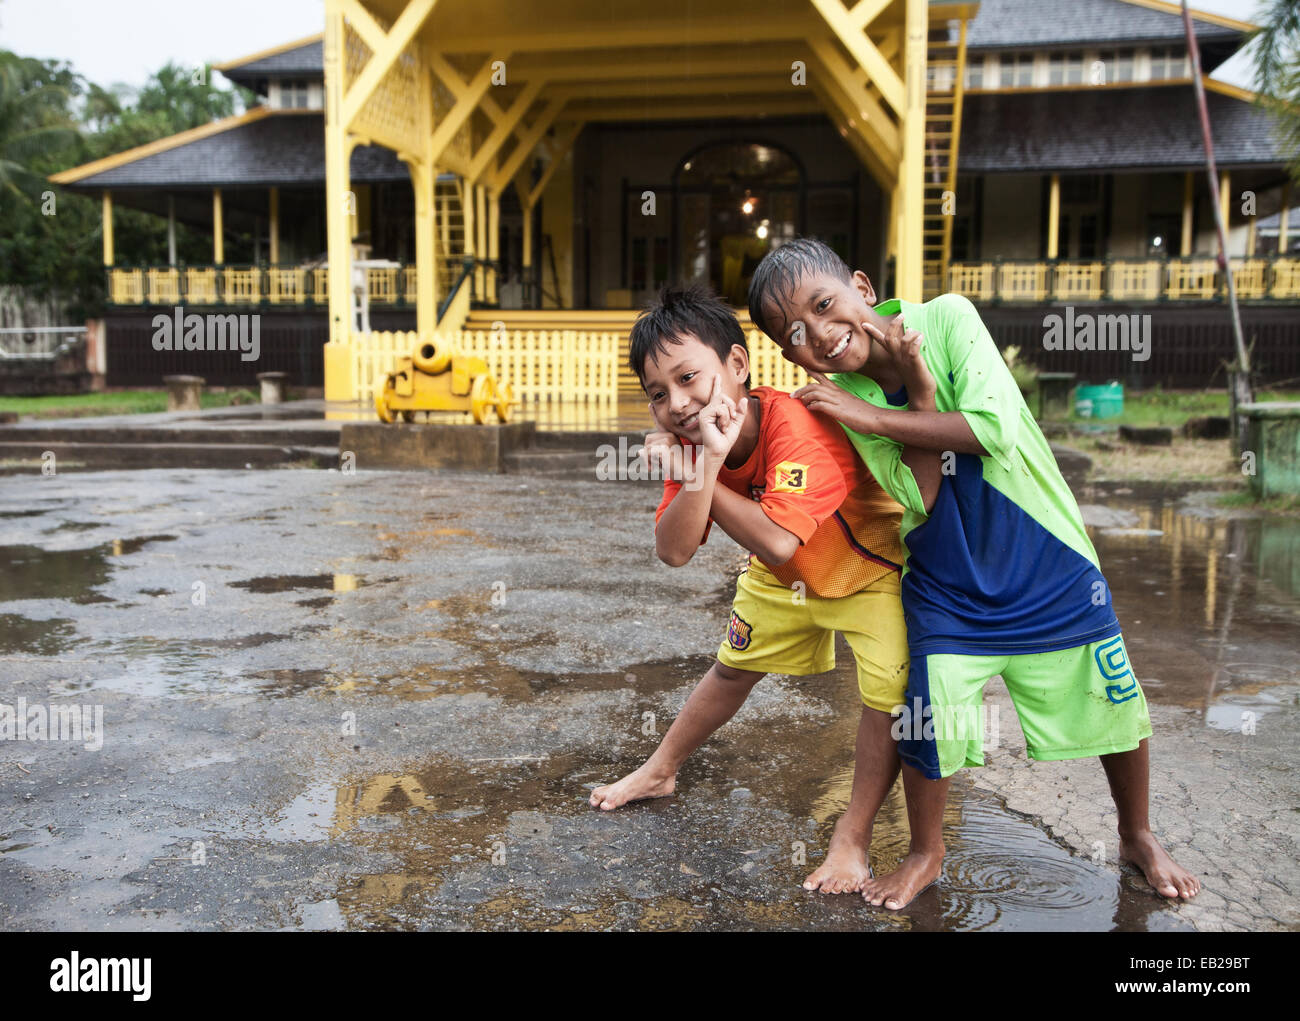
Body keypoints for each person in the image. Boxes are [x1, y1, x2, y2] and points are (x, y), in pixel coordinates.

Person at [746, 237, 1202, 909]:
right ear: (790, 355)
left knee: (1112, 694)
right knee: (925, 711)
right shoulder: (839, 399)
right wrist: (917, 393)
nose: (821, 332)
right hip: (944, 573)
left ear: (863, 289)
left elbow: (992, 429)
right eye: (797, 333)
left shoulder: (948, 319)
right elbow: (922, 494)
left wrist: (892, 404)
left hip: (1042, 551)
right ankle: (927, 851)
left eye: (824, 304)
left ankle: (1136, 833)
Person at [588, 283, 911, 894]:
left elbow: (779, 540)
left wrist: (702, 475)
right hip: (784, 575)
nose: (678, 404)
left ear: (737, 365)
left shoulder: (794, 423)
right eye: (659, 394)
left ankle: (853, 836)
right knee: (732, 669)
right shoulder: (693, 445)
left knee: (888, 691)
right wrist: (704, 466)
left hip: (868, 567)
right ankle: (659, 770)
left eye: (689, 378)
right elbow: (675, 550)